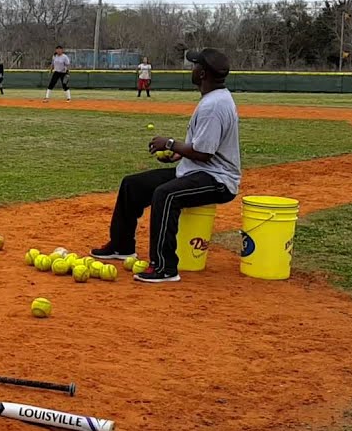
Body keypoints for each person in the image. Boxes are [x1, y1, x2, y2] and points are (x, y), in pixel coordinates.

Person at [89, 48, 241, 284]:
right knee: (133, 185)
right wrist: (176, 155)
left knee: (165, 195)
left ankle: (165, 266)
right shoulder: (214, 98)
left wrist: (169, 142)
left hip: (218, 180)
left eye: (195, 65)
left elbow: (203, 153)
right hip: (196, 169)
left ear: (203, 74)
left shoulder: (214, 105)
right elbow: (202, 146)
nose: (192, 69)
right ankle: (121, 246)